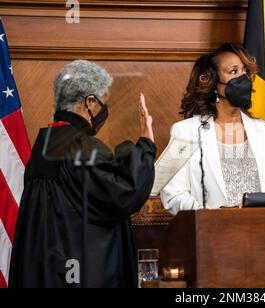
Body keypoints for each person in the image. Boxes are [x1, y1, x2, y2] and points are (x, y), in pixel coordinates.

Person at [9, 60, 156, 288]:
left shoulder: (42, 148)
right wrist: (146, 143)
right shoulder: (83, 148)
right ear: (89, 101)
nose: (103, 110)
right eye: (102, 103)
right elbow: (126, 192)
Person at [161, 43, 265, 215]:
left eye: (244, 71)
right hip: (212, 235)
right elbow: (172, 195)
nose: (243, 78)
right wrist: (215, 217)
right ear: (213, 82)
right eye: (233, 71)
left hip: (264, 233)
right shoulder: (184, 132)